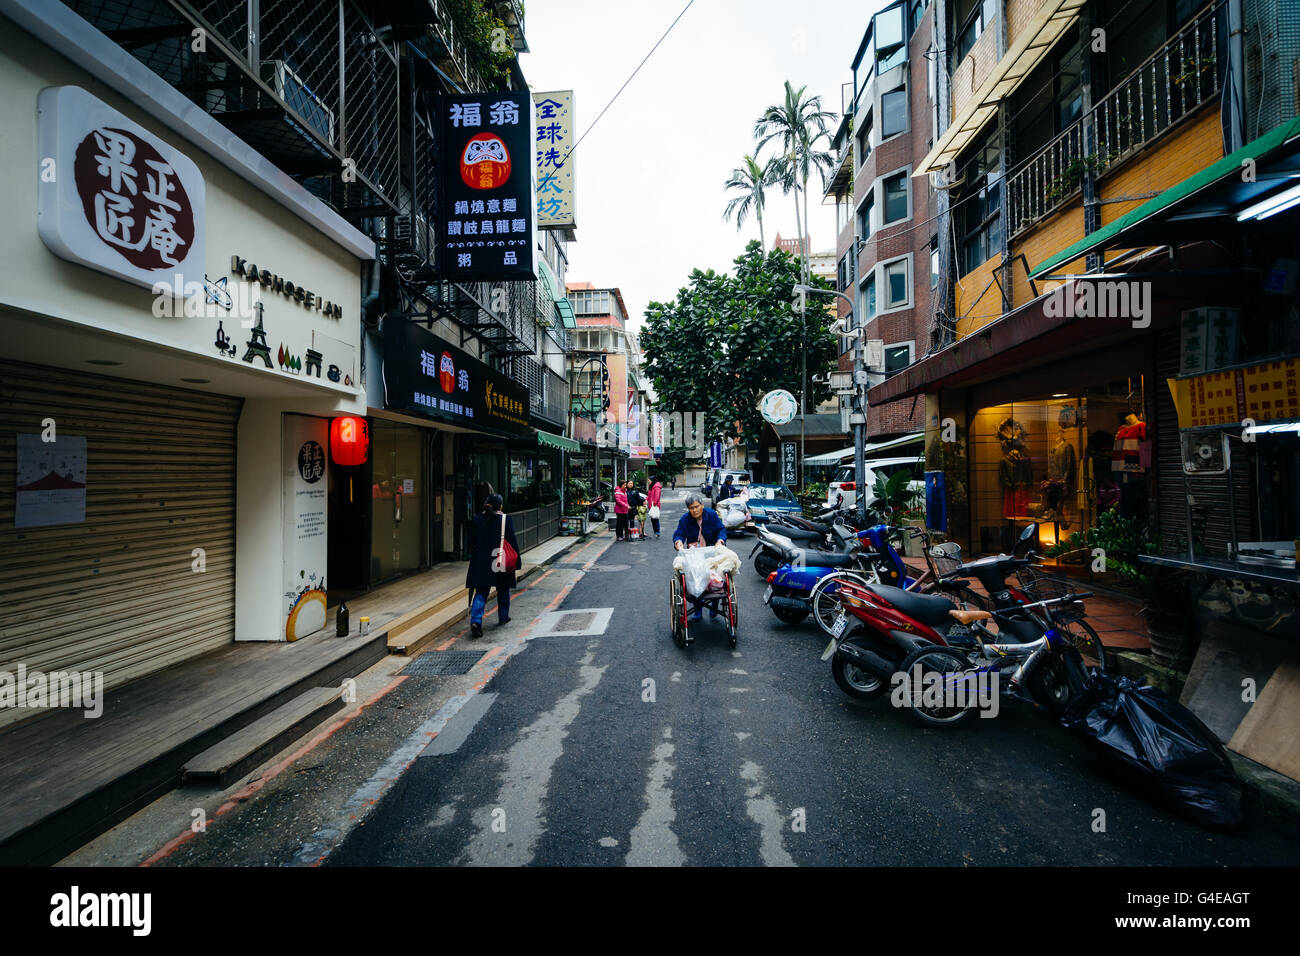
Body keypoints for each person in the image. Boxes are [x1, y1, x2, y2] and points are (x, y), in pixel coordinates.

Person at [465, 493, 519, 638]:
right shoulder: (505, 519)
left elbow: (471, 541)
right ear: (500, 506)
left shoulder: (477, 519)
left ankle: (476, 621)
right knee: (503, 588)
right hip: (499, 559)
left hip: (481, 560)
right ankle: (503, 617)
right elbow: (512, 542)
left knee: (481, 592)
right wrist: (517, 561)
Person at [672, 494, 729, 620]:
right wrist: (678, 542)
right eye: (691, 508)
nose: (694, 510)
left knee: (716, 579)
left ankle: (714, 605)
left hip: (712, 552)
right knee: (694, 580)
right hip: (695, 555)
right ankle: (698, 611)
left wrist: (720, 541)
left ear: (702, 505)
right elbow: (679, 534)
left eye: (697, 506)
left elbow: (721, 530)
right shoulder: (685, 519)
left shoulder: (711, 515)